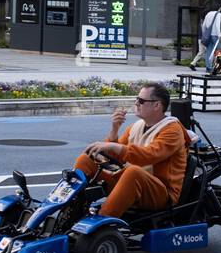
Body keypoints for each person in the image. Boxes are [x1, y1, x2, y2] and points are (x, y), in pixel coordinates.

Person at [73, 82, 189, 218]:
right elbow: (116, 156)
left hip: (162, 193)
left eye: (141, 101)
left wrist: (114, 146)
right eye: (136, 99)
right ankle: (71, 212)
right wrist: (114, 130)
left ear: (157, 105)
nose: (136, 103)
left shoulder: (172, 130)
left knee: (133, 172)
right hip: (133, 183)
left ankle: (101, 224)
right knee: (85, 160)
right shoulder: (137, 126)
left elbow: (149, 156)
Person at [191, 6, 221, 70]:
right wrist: (219, 35)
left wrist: (205, 35)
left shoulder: (208, 14)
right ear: (219, 8)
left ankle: (208, 67)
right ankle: (220, 66)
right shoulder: (218, 14)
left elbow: (204, 26)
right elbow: (217, 25)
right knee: (220, 50)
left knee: (209, 51)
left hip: (209, 36)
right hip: (215, 35)